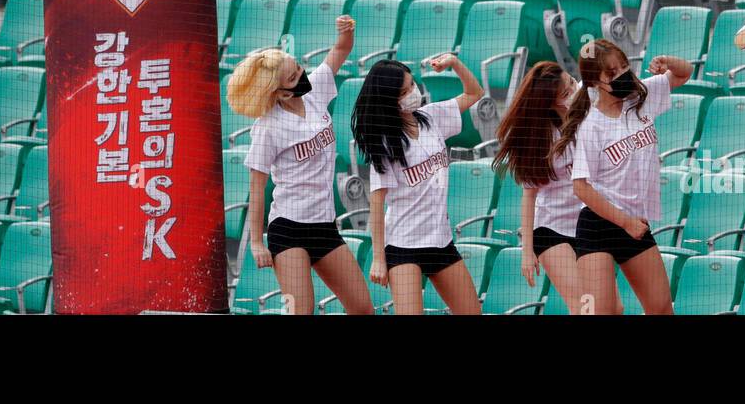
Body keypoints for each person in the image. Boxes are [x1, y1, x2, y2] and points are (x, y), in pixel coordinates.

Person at [228, 16, 372, 315]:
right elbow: (256, 189)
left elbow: (341, 49)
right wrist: (256, 242)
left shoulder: (316, 89)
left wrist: (346, 31)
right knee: (300, 312)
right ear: (280, 92)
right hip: (288, 229)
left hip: (324, 226)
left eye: (298, 68)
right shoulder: (268, 128)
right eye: (293, 78)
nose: (301, 75)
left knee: (363, 309)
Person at [563, 40, 691, 315]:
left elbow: (684, 73)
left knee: (661, 309)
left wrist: (668, 60)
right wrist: (625, 222)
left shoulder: (641, 99)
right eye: (612, 72)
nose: (622, 75)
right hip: (599, 225)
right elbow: (581, 189)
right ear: (595, 81)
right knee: (601, 312)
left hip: (635, 222)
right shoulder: (590, 125)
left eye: (624, 67)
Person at [353, 54, 484, 315]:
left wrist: (455, 64)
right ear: (390, 99)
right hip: (403, 245)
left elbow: (474, 93)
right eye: (405, 91)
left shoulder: (432, 117)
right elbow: (377, 203)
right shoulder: (386, 142)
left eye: (412, 85)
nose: (414, 92)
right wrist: (379, 258)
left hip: (440, 240)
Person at [492, 61, 601, 315]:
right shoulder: (540, 138)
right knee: (585, 307)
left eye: (572, 83)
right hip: (552, 229)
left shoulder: (590, 108)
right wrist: (527, 252)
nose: (573, 91)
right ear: (550, 103)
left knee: (611, 307)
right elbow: (529, 196)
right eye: (565, 93)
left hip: (590, 227)